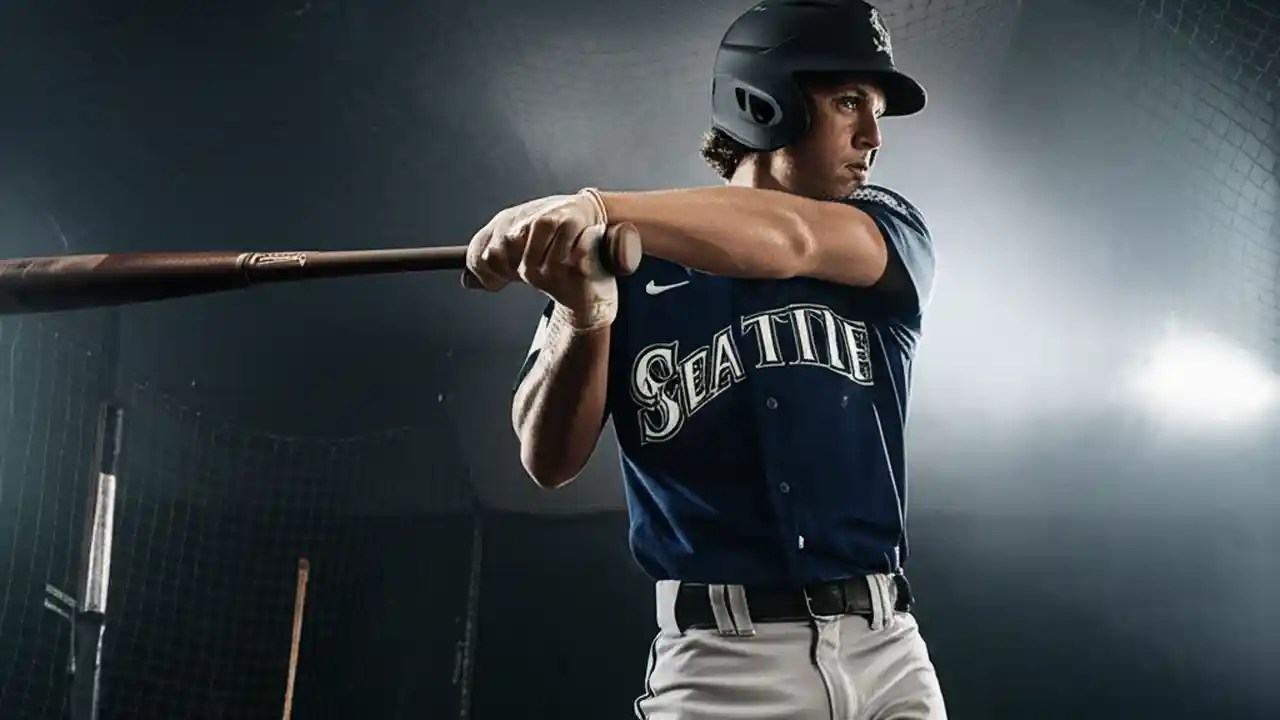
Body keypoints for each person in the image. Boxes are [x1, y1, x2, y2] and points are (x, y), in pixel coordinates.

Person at [465, 1, 946, 717]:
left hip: (886, 649)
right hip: (722, 666)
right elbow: (547, 458)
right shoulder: (628, 264)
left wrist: (592, 205)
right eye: (849, 102)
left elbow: (791, 239)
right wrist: (581, 311)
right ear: (766, 102)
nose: (872, 137)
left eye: (875, 112)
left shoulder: (887, 232)